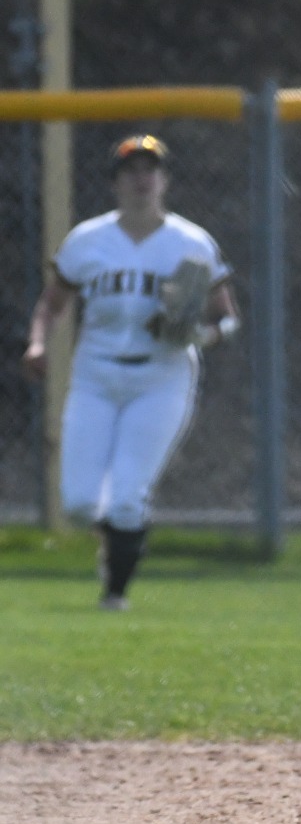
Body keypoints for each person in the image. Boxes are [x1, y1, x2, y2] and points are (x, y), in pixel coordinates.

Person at [21, 134, 239, 610]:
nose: (142, 178)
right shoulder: (88, 240)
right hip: (96, 373)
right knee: (79, 502)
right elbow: (52, 304)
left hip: (162, 376)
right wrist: (38, 343)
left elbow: (227, 316)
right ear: (115, 182)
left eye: (151, 169)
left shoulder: (191, 242)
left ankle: (115, 593)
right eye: (131, 170)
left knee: (126, 495)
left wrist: (200, 335)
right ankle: (121, 536)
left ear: (165, 180)